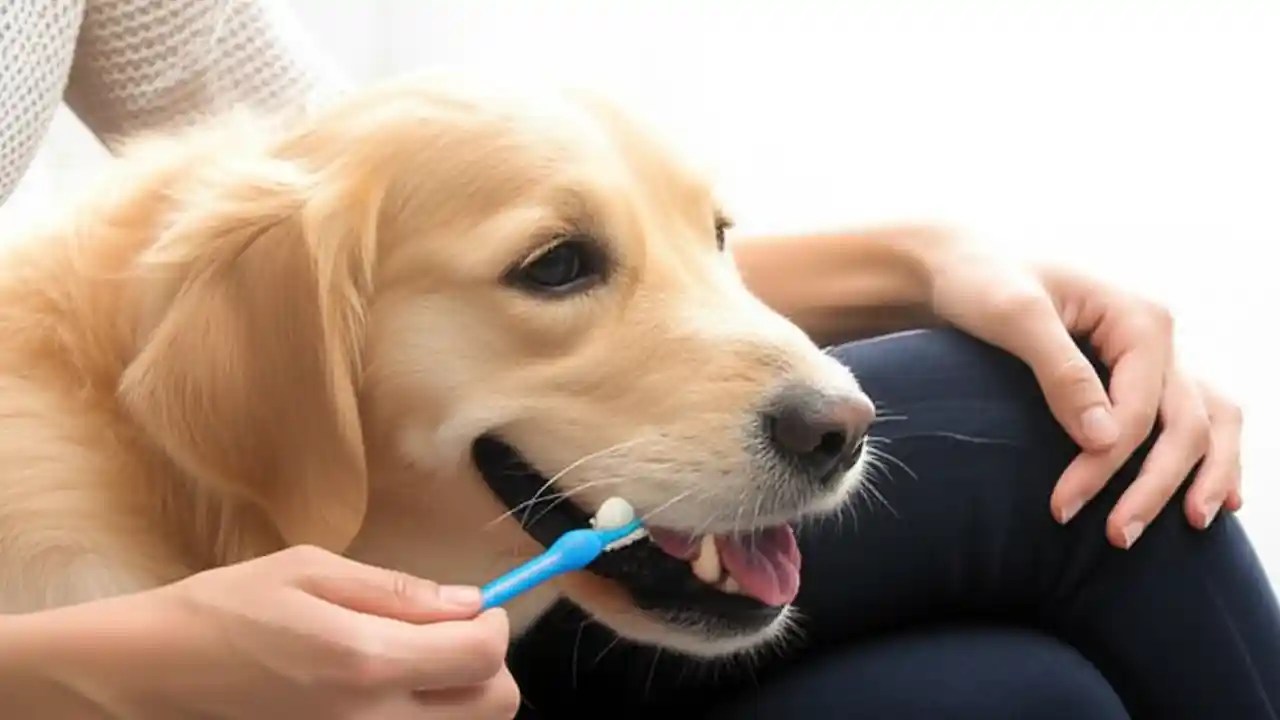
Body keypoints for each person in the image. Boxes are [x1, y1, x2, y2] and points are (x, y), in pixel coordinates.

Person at [0, 2, 1274, 718]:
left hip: (412, 614)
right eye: (556, 267)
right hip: (127, 645)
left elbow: (390, 180)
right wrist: (112, 668)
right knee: (1041, 468)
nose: (833, 413)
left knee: (1025, 695)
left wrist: (929, 257)